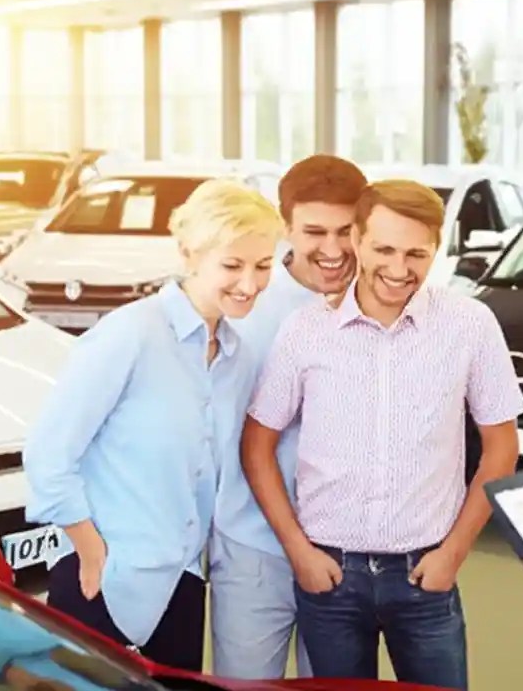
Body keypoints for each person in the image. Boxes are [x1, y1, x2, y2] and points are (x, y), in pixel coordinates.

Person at [242, 180, 523, 690]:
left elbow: (502, 449)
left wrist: (453, 554)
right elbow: (257, 445)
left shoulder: (471, 325)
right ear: (356, 240)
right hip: (328, 576)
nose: (399, 269)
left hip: (426, 575)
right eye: (384, 249)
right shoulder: (306, 330)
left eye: (417, 253)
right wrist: (298, 552)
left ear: (437, 249)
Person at [22, 179, 284, 673]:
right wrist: (90, 549)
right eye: (232, 265)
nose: (249, 283)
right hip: (101, 580)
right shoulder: (130, 334)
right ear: (190, 254)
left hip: (182, 584)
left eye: (263, 266)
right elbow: (48, 456)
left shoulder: (238, 354)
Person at [210, 154, 366, 680]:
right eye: (314, 231)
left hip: (350, 555)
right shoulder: (246, 308)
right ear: (286, 228)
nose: (332, 248)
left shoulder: (380, 303)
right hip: (254, 547)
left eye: (346, 231)